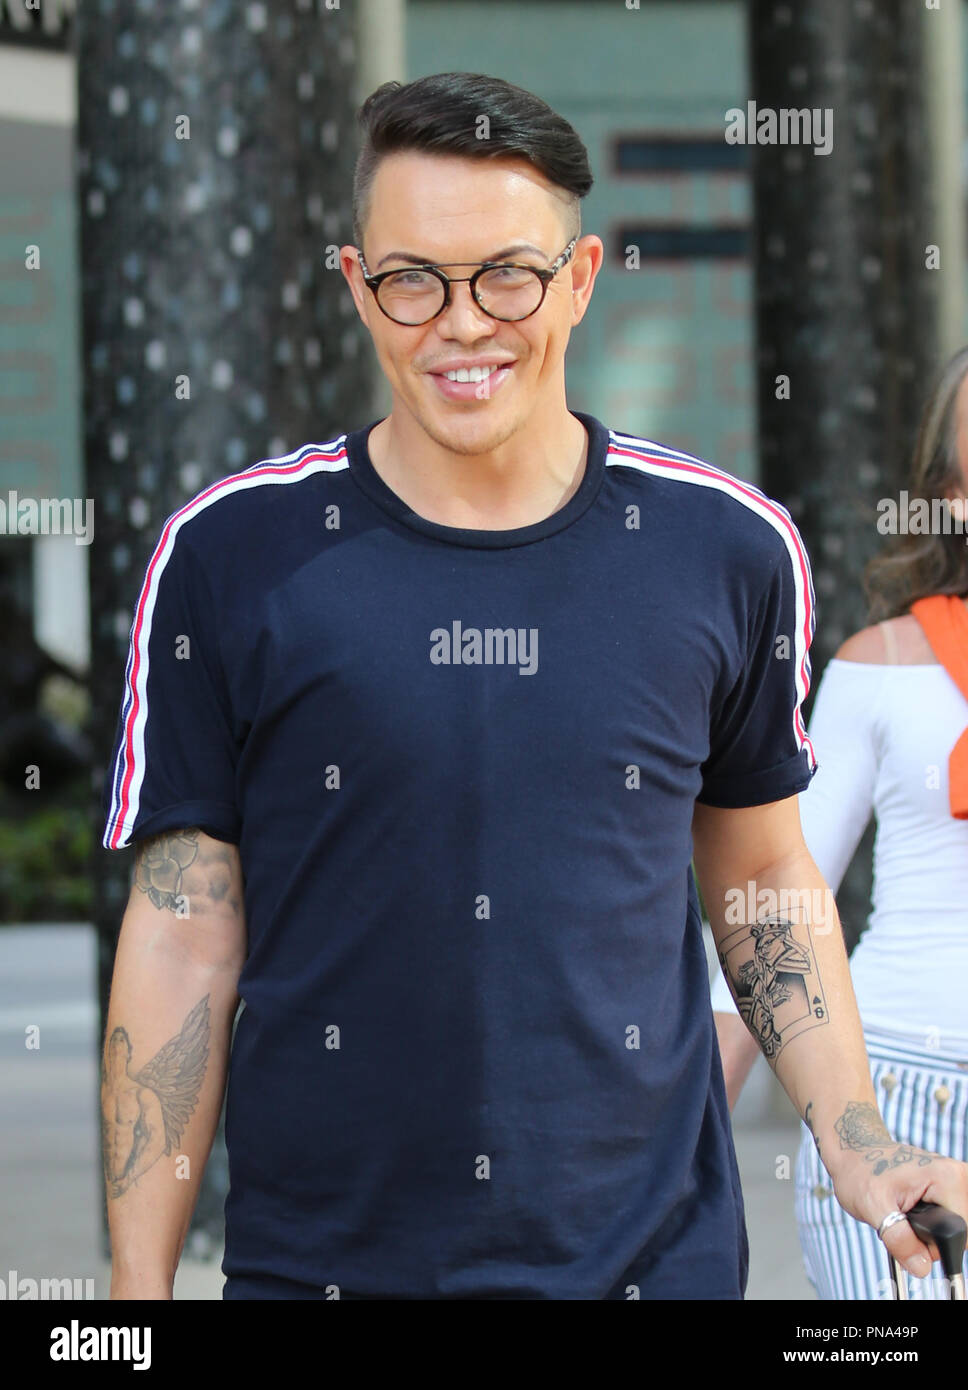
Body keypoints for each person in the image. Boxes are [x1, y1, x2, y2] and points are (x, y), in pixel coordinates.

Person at [98, 71, 968, 1301]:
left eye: (506, 272)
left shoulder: (722, 549)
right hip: (323, 1270)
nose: (460, 322)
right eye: (411, 279)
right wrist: (137, 1305)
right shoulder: (234, 555)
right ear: (354, 283)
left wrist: (854, 1135)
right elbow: (187, 929)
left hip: (650, 1267)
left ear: (580, 276)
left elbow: (765, 876)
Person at [713, 346, 968, 1299]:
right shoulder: (878, 665)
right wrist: (685, 1137)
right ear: (950, 494)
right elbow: (771, 895)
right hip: (896, 1107)